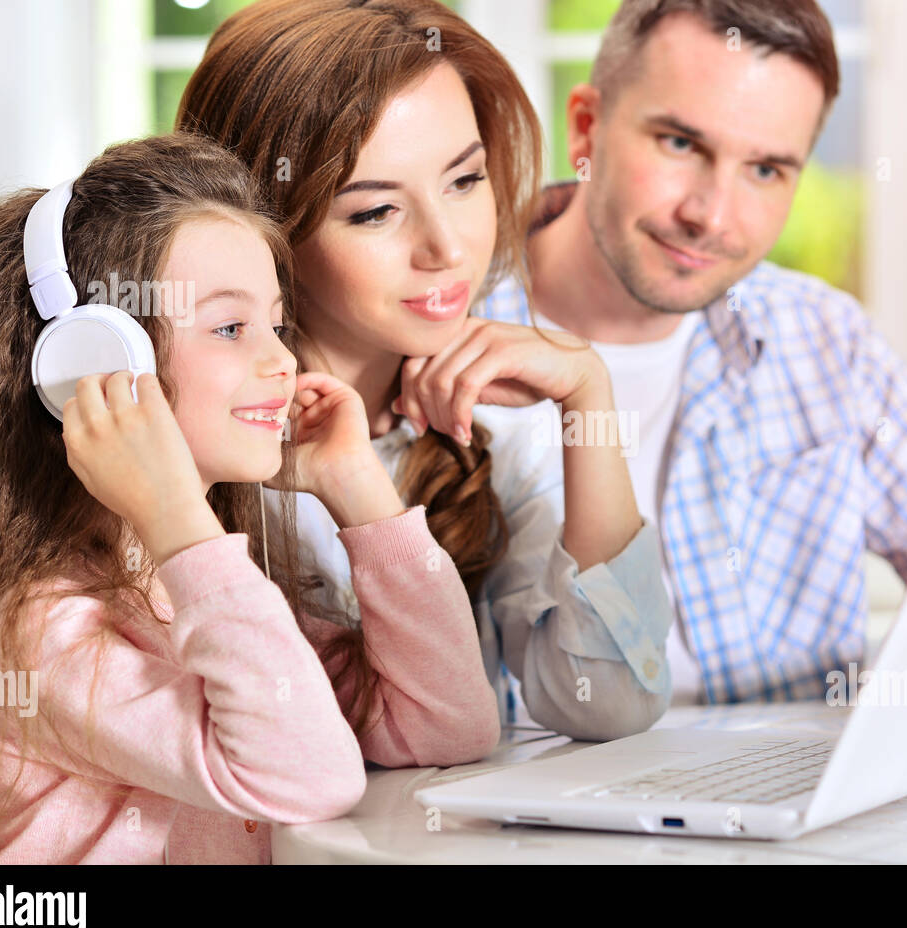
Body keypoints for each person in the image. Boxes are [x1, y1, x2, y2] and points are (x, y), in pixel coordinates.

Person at [476, 0, 907, 741]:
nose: (713, 215)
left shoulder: (823, 342)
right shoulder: (438, 334)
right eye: (681, 142)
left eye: (765, 168)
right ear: (587, 128)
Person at [0, 133, 500, 865]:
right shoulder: (41, 632)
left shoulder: (221, 590)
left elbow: (449, 726)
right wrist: (176, 520)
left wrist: (360, 491)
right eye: (232, 327)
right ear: (95, 365)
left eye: (278, 323)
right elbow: (308, 776)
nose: (283, 360)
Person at [176, 0, 674, 742]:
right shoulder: (194, 426)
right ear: (267, 219)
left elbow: (611, 701)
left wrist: (587, 395)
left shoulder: (495, 420)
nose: (446, 247)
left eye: (465, 180)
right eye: (375, 212)